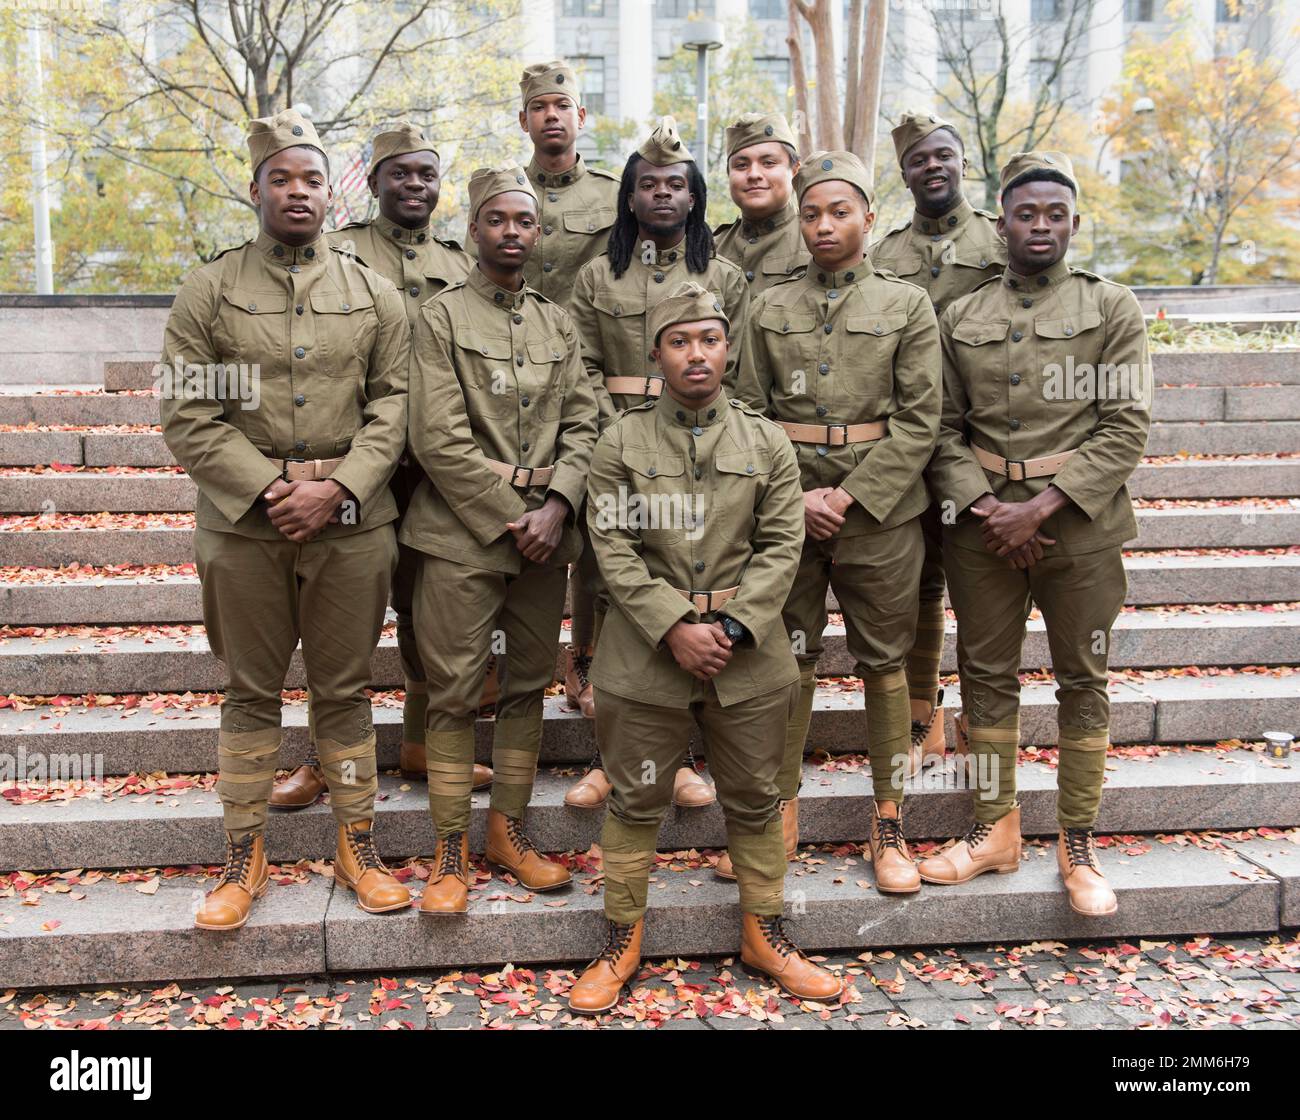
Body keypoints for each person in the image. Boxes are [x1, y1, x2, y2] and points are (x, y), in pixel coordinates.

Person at [161, 108, 411, 929]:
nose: (297, 191)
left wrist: (338, 491)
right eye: (281, 178)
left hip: (350, 523)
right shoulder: (211, 287)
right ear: (256, 187)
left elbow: (396, 406)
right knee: (248, 691)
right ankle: (244, 856)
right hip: (243, 528)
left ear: (330, 192)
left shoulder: (373, 290)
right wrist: (273, 490)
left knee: (343, 690)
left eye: (311, 178)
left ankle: (358, 846)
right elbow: (190, 413)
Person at [569, 281, 841, 1013]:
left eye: (710, 339)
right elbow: (612, 546)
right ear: (656, 353)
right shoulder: (621, 442)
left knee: (756, 800)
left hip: (747, 655)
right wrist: (672, 625)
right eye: (681, 341)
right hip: (645, 654)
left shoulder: (766, 441)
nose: (697, 354)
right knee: (635, 801)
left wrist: (733, 626)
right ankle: (619, 939)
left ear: (728, 348)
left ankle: (766, 934)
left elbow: (784, 544)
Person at [919, 151, 1151, 917]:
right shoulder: (963, 316)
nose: (1041, 225)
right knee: (985, 679)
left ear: (1074, 225)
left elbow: (1124, 428)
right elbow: (943, 431)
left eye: (1055, 214)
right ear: (1003, 224)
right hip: (982, 531)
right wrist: (992, 511)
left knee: (1083, 680)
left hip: (1079, 530)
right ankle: (994, 829)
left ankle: (1077, 843)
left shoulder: (1111, 307)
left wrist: (1041, 508)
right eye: (1027, 213)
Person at [736, 151, 941, 894]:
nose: (824, 225)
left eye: (840, 211)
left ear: (868, 219)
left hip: (878, 515)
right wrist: (794, 501)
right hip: (786, 511)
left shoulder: (906, 304)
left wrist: (849, 498)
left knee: (884, 665)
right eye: (812, 213)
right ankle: (776, 815)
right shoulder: (767, 304)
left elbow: (921, 422)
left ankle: (888, 826)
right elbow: (748, 413)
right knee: (787, 662)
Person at [271, 121, 491, 810]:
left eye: (426, 173)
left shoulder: (463, 266)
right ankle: (321, 757)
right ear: (373, 182)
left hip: (436, 472)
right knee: (336, 619)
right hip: (357, 463)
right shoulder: (335, 252)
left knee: (431, 612)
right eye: (401, 173)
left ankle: (423, 742)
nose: (415, 185)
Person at [403, 162, 598, 914]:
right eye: (497, 220)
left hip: (547, 537)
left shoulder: (556, 321)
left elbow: (584, 421)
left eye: (524, 221)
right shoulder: (441, 318)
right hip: (460, 534)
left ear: (537, 232)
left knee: (525, 688)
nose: (512, 232)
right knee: (453, 695)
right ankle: (449, 852)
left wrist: (557, 506)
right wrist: (506, 515)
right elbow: (436, 436)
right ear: (474, 229)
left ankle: (508, 834)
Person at [561, 116, 749, 811]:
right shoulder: (594, 276)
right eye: (649, 184)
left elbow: (742, 372)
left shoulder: (724, 276)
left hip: (704, 453)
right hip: (613, 451)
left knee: (687, 588)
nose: (663, 193)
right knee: (616, 596)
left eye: (676, 183)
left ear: (694, 197)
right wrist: (623, 443)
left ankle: (679, 758)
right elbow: (577, 369)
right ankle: (614, 758)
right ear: (630, 198)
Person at [870, 110, 1007, 768]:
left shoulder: (999, 240)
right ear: (904, 173)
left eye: (943, 154)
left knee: (980, 587)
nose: (933, 166)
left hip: (978, 440)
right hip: (907, 442)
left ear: (962, 162)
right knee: (921, 584)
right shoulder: (886, 255)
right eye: (919, 159)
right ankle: (921, 713)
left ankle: (984, 721)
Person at [713, 112, 809, 294]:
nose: (754, 174)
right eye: (741, 165)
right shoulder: (711, 250)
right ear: (729, 174)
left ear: (795, 170)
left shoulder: (817, 242)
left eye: (768, 163)